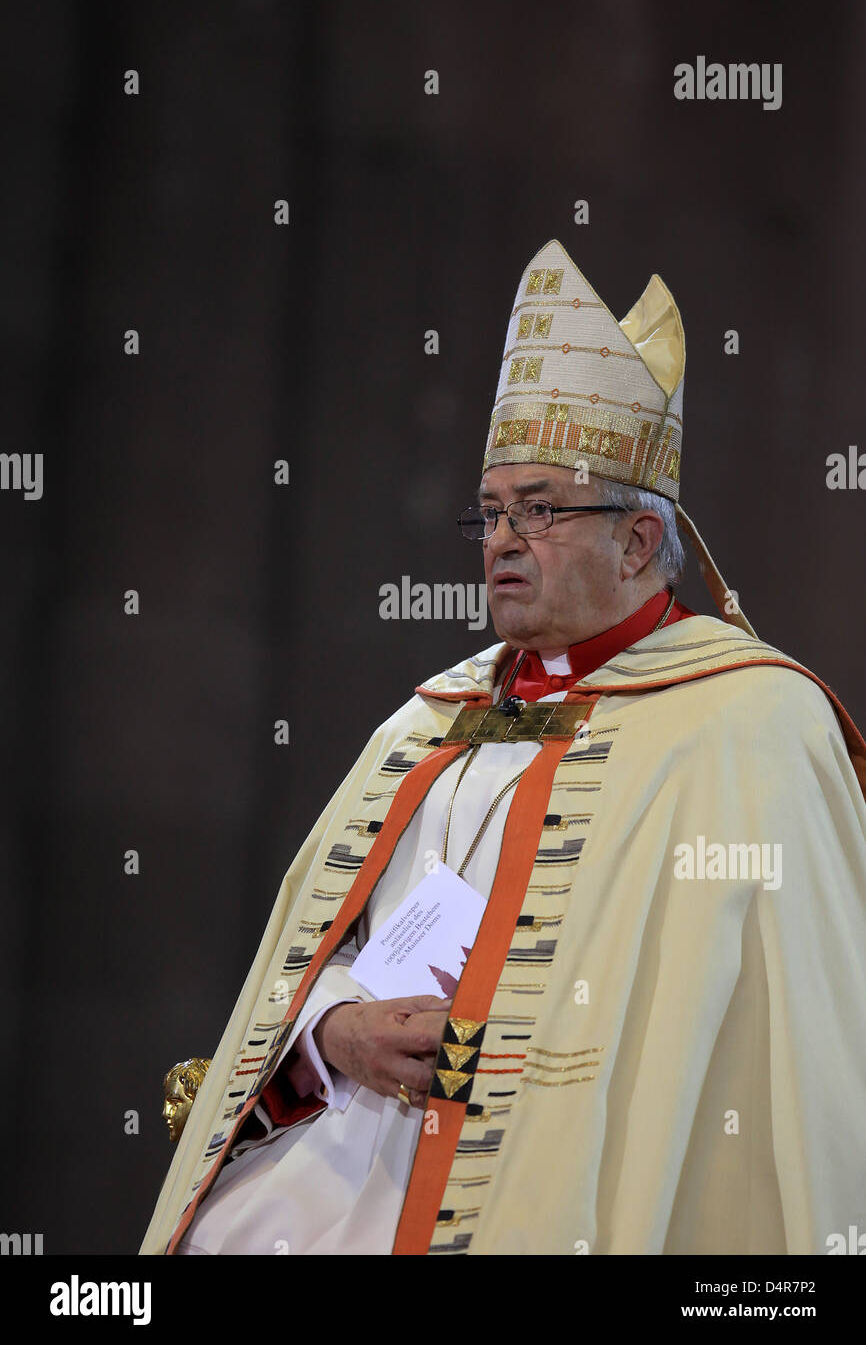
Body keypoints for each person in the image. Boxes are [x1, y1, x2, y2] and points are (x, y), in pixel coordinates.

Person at [141, 239, 866, 1256]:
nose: (501, 541)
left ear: (637, 542)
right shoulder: (421, 724)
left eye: (540, 509)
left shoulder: (748, 721)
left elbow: (789, 1046)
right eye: (488, 513)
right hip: (334, 1168)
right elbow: (315, 958)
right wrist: (333, 1032)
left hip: (572, 1189)